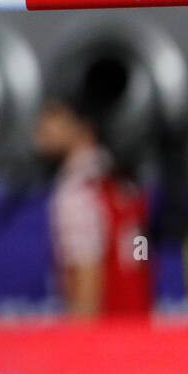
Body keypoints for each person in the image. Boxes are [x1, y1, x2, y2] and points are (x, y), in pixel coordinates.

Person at [33, 96, 153, 317]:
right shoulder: (122, 181)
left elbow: (88, 278)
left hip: (104, 338)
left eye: (54, 118)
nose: (42, 127)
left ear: (83, 128)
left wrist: (79, 344)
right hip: (139, 332)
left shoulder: (78, 190)